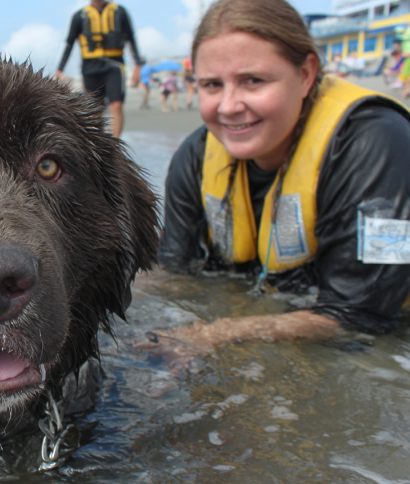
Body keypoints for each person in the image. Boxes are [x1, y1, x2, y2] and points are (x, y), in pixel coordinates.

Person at [140, 0, 410, 355]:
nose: (228, 106)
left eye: (253, 80)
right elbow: (173, 266)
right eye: (211, 85)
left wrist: (210, 335)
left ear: (306, 75)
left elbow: (359, 313)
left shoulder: (375, 143)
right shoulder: (195, 157)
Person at [55, 0, 144, 138]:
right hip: (90, 67)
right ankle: (97, 144)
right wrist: (60, 69)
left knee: (116, 104)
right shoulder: (80, 16)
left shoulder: (119, 12)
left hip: (115, 65)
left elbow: (131, 38)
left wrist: (137, 64)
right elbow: (69, 43)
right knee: (94, 109)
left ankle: (115, 145)